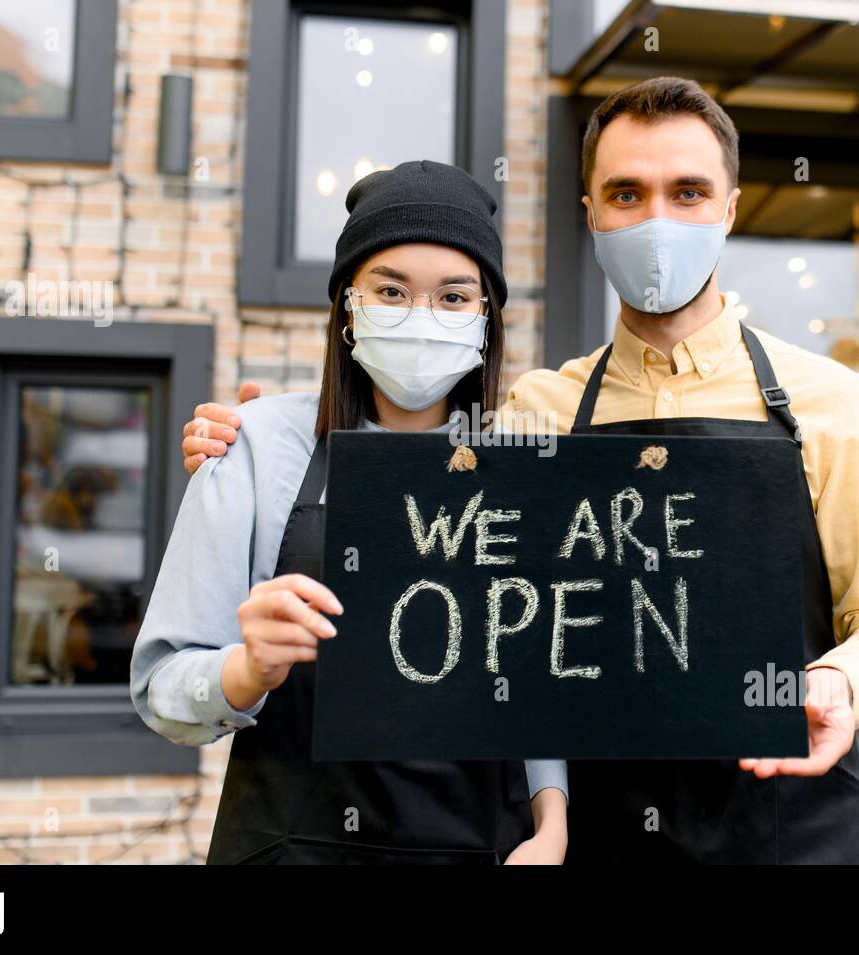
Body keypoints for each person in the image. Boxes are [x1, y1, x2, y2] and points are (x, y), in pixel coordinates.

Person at [179, 78, 859, 864]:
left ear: (730, 209)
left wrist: (838, 684)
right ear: (591, 215)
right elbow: (425, 521)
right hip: (604, 835)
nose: (656, 220)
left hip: (793, 826)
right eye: (626, 193)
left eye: (687, 192)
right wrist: (260, 436)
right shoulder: (536, 409)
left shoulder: (829, 401)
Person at [131, 160, 568, 865]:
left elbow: (537, 687)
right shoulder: (255, 444)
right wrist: (247, 670)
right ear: (348, 306)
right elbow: (161, 689)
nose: (422, 316)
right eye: (391, 290)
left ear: (486, 319)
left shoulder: (523, 468)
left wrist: (553, 827)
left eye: (454, 298)